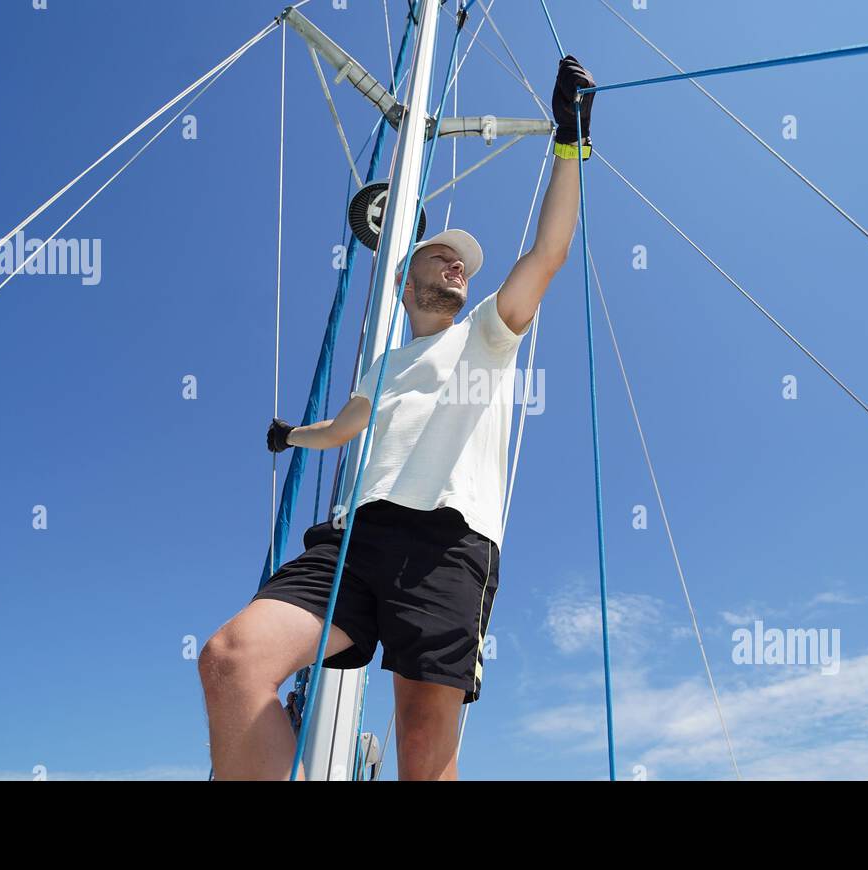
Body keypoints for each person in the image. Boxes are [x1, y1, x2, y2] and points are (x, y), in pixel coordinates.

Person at [200, 55, 596, 781]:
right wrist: (291, 436)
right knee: (231, 659)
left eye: (464, 265)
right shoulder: (380, 368)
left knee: (421, 746)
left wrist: (570, 142)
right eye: (443, 257)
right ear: (408, 278)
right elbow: (341, 431)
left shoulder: (486, 333)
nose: (458, 267)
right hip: (356, 536)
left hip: (450, 540)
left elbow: (549, 252)